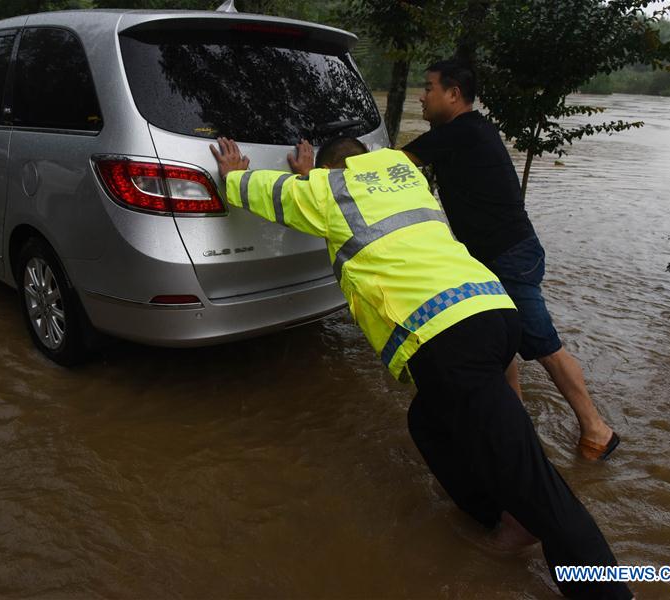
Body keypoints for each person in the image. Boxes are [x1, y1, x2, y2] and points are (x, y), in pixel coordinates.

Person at [210, 136, 632, 599]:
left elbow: (258, 191)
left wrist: (232, 172)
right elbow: (344, 197)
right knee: (428, 423)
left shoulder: (327, 192)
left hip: (449, 338)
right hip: (493, 311)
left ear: (329, 170)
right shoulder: (404, 177)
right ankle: (506, 519)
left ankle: (609, 592)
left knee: (537, 484)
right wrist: (314, 175)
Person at [401, 58, 619, 461]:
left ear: (453, 93)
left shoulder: (461, 131)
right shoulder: (469, 130)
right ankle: (514, 421)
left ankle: (597, 428)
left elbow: (391, 165)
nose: (421, 95)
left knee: (544, 346)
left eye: (428, 87)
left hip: (509, 256)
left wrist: (322, 171)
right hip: (494, 257)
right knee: (500, 339)